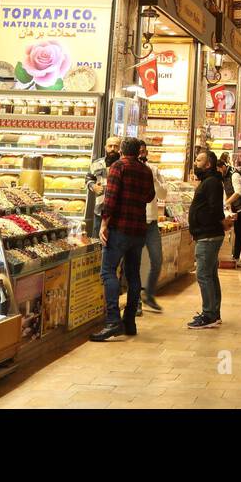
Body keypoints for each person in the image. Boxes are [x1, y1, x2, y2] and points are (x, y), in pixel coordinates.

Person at [91, 137, 155, 341]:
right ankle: (129, 321)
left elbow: (110, 198)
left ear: (121, 151)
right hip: (138, 230)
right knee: (133, 275)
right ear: (138, 152)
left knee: (108, 271)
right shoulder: (145, 170)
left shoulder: (118, 167)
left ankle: (112, 322)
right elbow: (150, 196)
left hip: (119, 229)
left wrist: (104, 223)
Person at [188, 149, 234, 329]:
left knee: (204, 275)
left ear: (208, 164)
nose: (195, 163)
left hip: (208, 235)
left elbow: (215, 209)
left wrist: (223, 222)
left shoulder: (212, 182)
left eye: (198, 160)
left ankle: (209, 315)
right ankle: (213, 313)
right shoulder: (210, 181)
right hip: (206, 234)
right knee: (210, 275)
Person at [140, 141, 166, 313]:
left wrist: (154, 179)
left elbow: (163, 194)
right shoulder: (127, 169)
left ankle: (148, 294)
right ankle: (135, 301)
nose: (141, 154)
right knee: (133, 263)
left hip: (152, 223)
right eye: (138, 151)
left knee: (157, 260)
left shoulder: (154, 170)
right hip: (135, 222)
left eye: (143, 151)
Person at [86, 135, 121, 239]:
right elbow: (88, 179)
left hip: (118, 213)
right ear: (106, 147)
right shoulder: (97, 163)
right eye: (110, 146)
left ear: (120, 148)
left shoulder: (123, 164)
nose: (112, 149)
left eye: (116, 146)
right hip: (100, 210)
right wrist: (93, 186)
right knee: (97, 243)